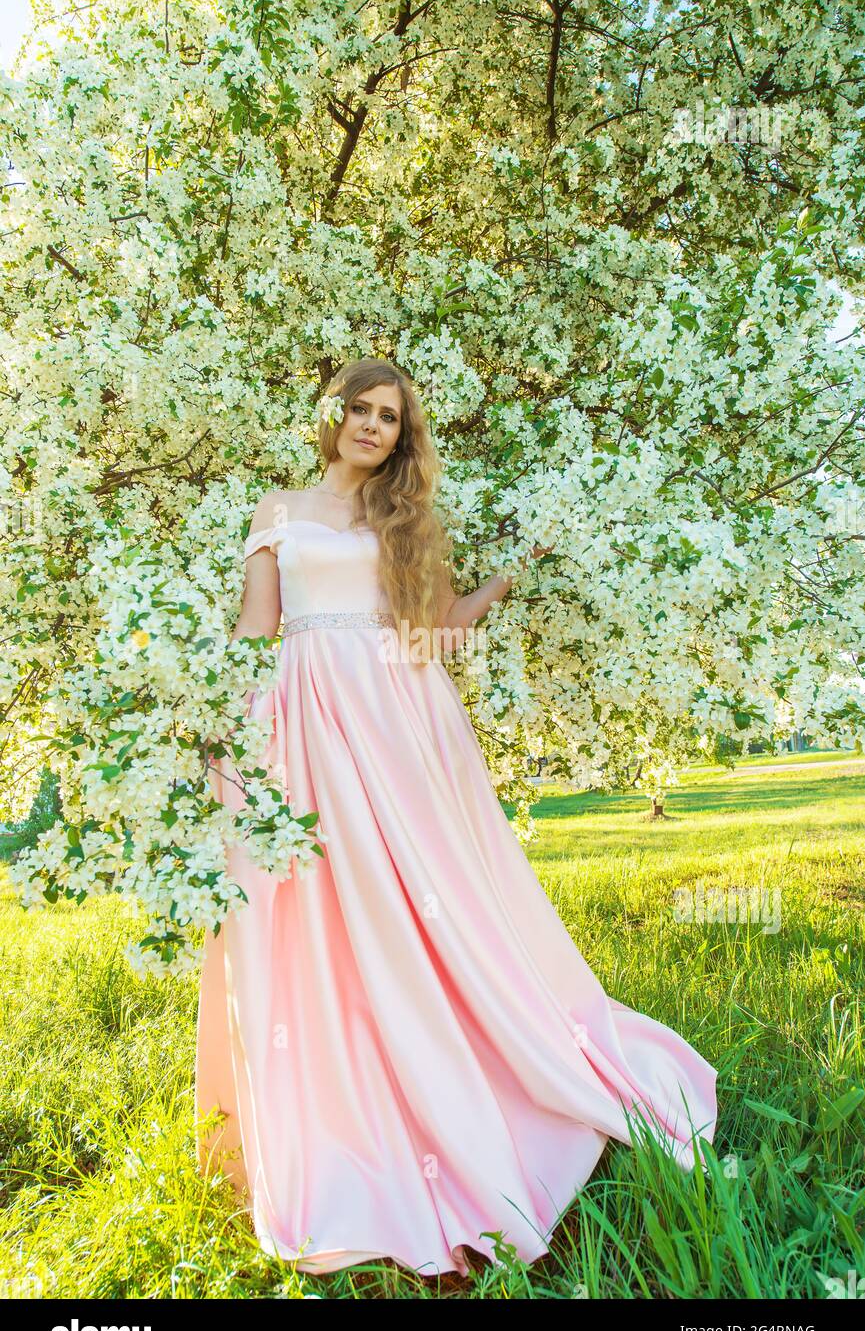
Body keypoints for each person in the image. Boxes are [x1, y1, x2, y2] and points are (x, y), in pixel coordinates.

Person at [195, 357, 717, 1278]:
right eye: (358, 409)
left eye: (388, 417)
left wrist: (510, 576)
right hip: (311, 720)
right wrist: (223, 735)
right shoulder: (277, 510)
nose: (369, 426)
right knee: (333, 906)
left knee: (437, 901)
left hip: (401, 714)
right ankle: (362, 1103)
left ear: (403, 435)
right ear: (332, 417)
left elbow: (436, 629)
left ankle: (494, 1071)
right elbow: (254, 630)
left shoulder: (408, 518)